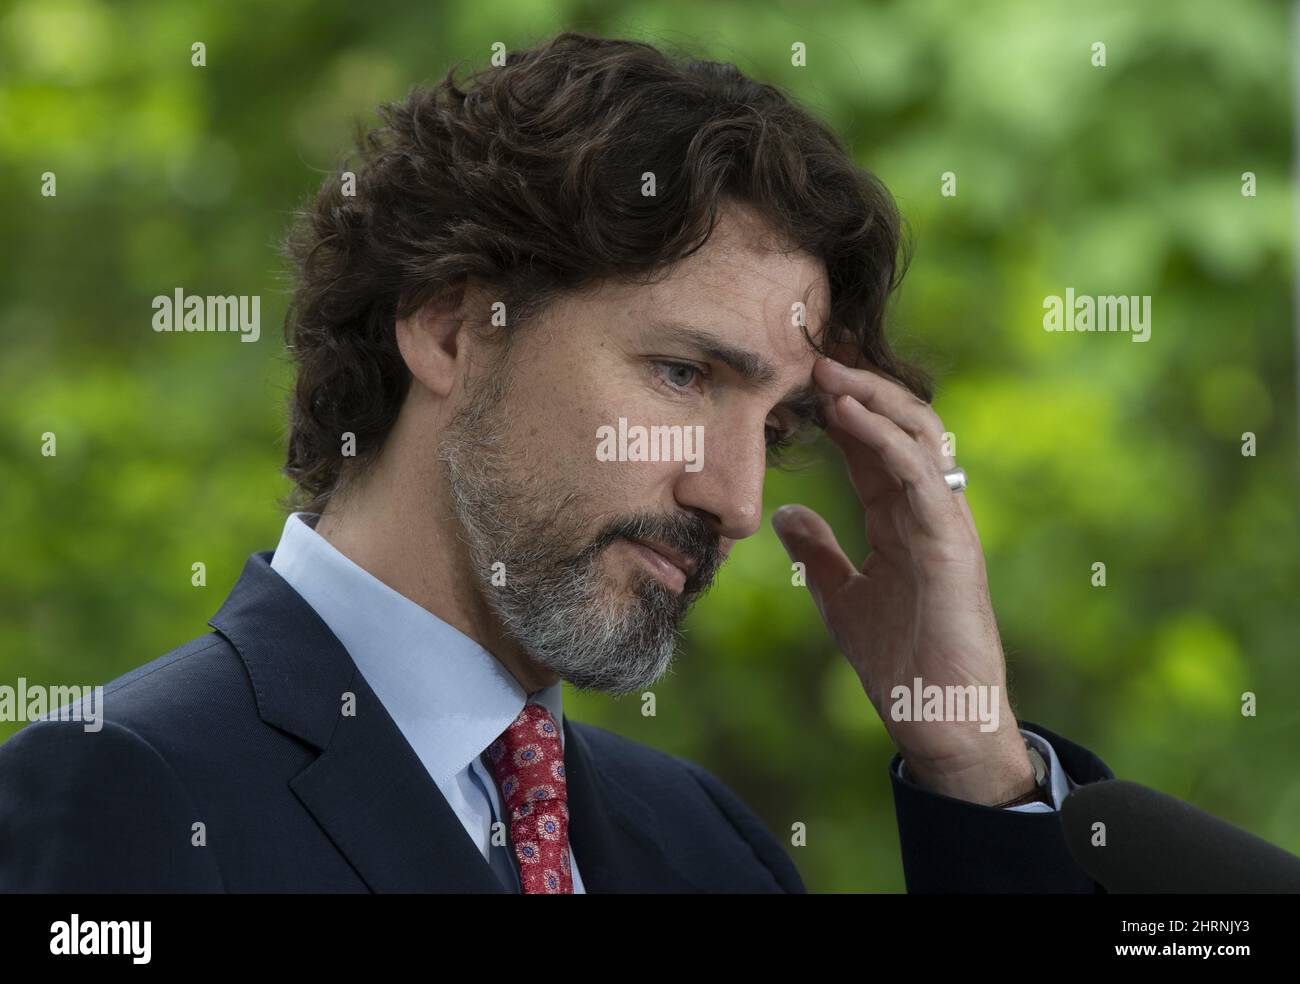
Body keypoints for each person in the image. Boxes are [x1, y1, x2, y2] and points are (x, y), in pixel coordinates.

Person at [0, 31, 1112, 893]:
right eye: (684, 375)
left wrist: (974, 766)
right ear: (448, 330)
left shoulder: (703, 846)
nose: (732, 500)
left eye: (772, 432)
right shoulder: (121, 785)